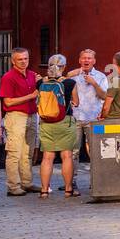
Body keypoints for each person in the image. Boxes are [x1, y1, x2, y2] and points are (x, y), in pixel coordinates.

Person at [0, 47, 41, 197]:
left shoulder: (31, 75)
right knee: (14, 153)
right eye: (20, 59)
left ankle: (26, 182)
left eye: (25, 59)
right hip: (16, 116)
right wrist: (31, 96)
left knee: (27, 152)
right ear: (13, 61)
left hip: (31, 115)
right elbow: (8, 102)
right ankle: (13, 186)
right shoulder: (8, 77)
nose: (23, 62)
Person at [35, 55, 79, 198]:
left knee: (47, 157)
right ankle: (68, 189)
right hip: (64, 122)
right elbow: (76, 102)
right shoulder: (70, 83)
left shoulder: (41, 82)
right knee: (66, 156)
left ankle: (44, 191)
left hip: (46, 122)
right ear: (64, 67)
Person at [66, 49, 108, 165]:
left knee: (95, 151)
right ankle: (72, 182)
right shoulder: (73, 75)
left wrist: (94, 83)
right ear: (80, 60)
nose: (86, 60)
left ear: (94, 61)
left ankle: (94, 182)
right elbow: (63, 92)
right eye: (84, 58)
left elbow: (104, 96)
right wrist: (68, 76)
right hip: (76, 118)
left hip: (93, 119)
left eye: (89, 58)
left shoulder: (101, 76)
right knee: (73, 152)